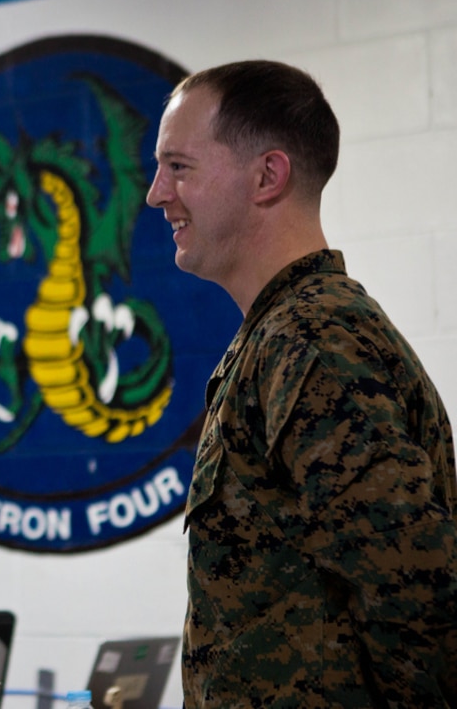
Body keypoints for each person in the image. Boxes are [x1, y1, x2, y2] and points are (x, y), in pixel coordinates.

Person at [146, 60, 457, 706]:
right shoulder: (278, 336)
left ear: (268, 176)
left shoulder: (313, 340)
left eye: (179, 167)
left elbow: (414, 593)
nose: (156, 193)